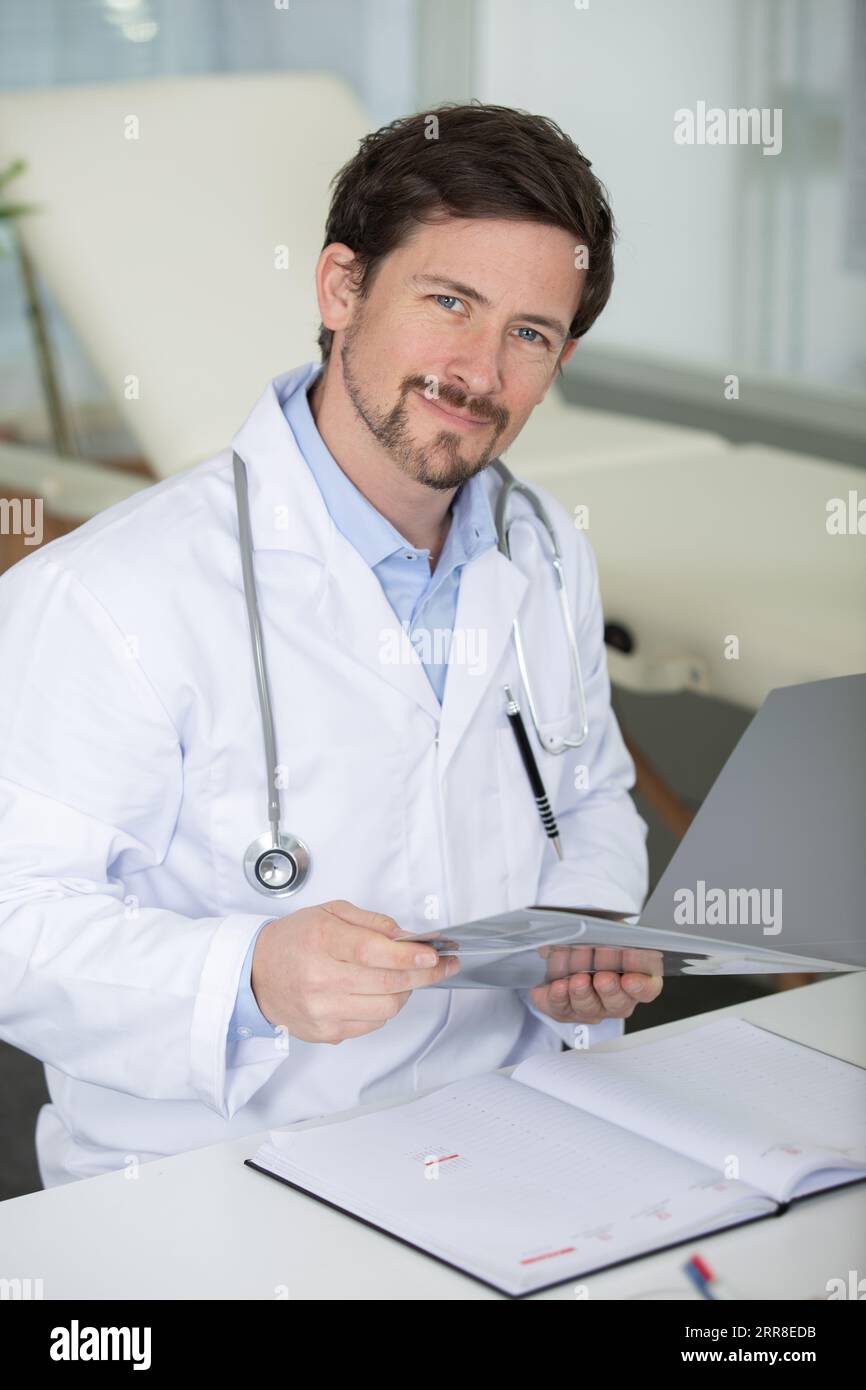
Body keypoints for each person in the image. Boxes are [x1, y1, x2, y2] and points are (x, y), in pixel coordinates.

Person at [0, 101, 661, 1187]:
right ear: (340, 287)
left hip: (516, 1139)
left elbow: (588, 793)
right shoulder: (101, 594)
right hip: (222, 1180)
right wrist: (246, 973)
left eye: (528, 334)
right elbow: (15, 924)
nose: (479, 371)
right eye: (448, 301)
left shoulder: (542, 550)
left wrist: (583, 923)